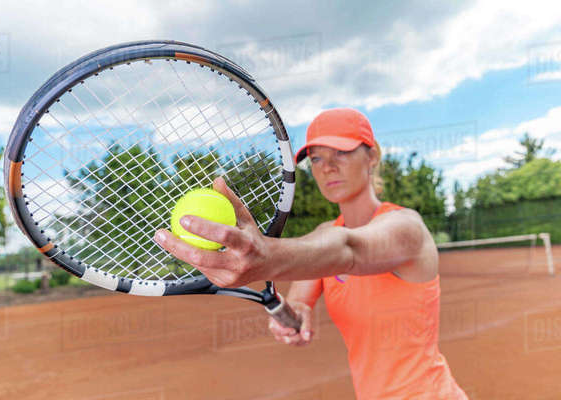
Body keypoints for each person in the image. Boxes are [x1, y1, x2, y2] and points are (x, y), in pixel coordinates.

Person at [154, 108, 467, 399]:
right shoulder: (323, 235)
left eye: (341, 152)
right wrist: (294, 315)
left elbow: (348, 249)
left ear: (372, 156)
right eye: (316, 159)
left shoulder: (406, 227)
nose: (327, 166)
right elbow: (304, 291)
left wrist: (267, 255)